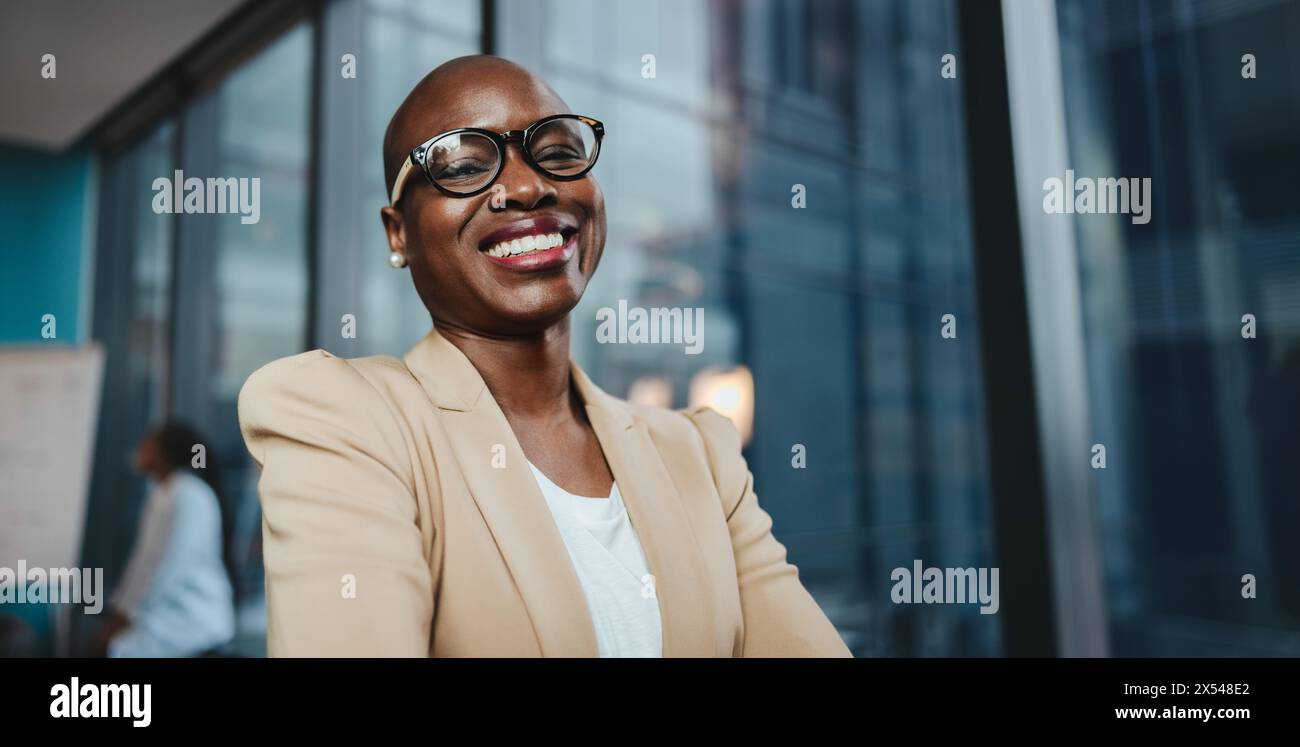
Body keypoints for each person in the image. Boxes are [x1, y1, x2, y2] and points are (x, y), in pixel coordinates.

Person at [238, 55, 850, 657]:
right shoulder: (344, 419)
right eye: (464, 164)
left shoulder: (698, 454)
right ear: (398, 232)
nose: (529, 186)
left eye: (557, 153)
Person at [94, 422, 236, 657]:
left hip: (192, 620)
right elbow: (143, 562)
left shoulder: (191, 494)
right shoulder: (162, 494)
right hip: (164, 616)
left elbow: (172, 566)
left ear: (164, 453)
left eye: (146, 445)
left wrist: (127, 615)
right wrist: (121, 610)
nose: (139, 451)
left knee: (115, 650)